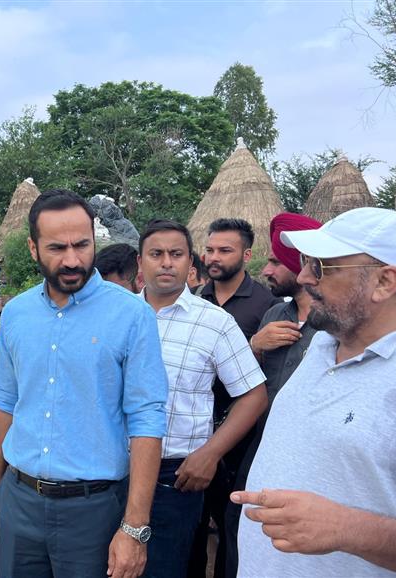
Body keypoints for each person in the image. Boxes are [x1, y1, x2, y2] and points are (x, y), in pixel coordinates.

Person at [0, 189, 169, 578]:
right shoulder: (16, 314)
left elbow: (147, 421)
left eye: (82, 245)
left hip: (94, 510)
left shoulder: (132, 315)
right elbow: (6, 401)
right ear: (33, 249)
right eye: (57, 248)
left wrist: (134, 529)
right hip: (19, 502)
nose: (72, 260)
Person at [233, 207, 396, 576]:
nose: (304, 276)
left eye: (322, 267)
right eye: (307, 262)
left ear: (384, 282)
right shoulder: (323, 344)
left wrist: (348, 529)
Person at [137, 219, 267, 578]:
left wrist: (210, 454)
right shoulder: (118, 316)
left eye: (176, 254)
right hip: (112, 470)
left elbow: (254, 394)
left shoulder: (215, 323)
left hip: (174, 477)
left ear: (189, 264)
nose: (166, 262)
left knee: (162, 569)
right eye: (156, 254)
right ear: (140, 263)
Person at [222, 213, 322, 577]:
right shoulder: (275, 313)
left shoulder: (332, 325)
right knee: (241, 522)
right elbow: (244, 381)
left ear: (303, 265)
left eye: (278, 262)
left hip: (311, 449)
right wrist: (253, 346)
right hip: (260, 441)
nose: (267, 270)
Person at [190, 218, 280, 578]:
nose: (214, 257)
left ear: (246, 254)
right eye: (209, 250)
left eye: (224, 251)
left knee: (235, 526)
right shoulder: (196, 301)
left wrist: (253, 347)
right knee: (193, 527)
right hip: (196, 429)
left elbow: (270, 374)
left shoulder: (267, 306)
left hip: (243, 436)